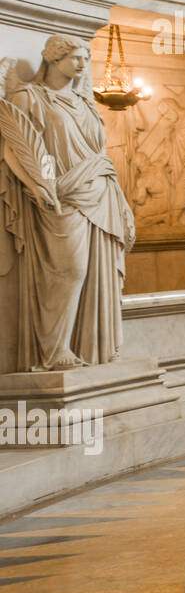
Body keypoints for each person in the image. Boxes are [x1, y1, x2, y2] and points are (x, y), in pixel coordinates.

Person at [0, 35, 135, 369]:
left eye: (85, 59)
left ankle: (91, 348)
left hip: (102, 192)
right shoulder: (29, 97)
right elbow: (14, 147)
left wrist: (121, 202)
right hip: (61, 195)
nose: (82, 64)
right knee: (69, 270)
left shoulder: (85, 103)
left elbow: (99, 153)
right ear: (53, 58)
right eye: (75, 57)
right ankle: (54, 348)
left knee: (94, 273)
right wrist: (36, 184)